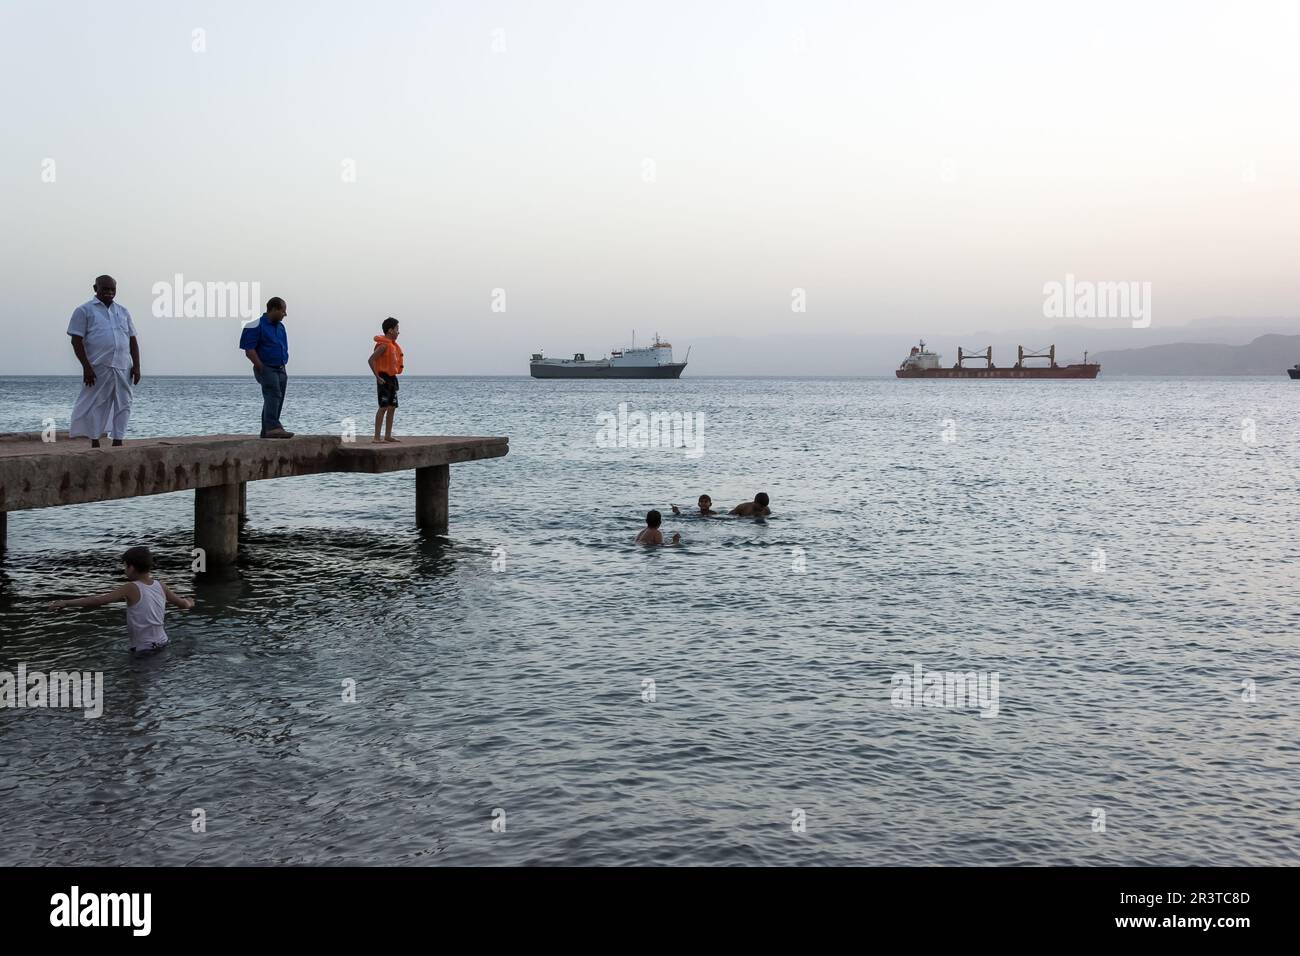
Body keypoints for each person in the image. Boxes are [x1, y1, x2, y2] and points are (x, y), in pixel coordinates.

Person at [48, 546, 194, 654]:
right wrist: (189, 601)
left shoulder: (131, 587)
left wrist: (66, 603)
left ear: (131, 567)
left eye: (125, 566)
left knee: (136, 684)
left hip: (143, 649)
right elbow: (183, 604)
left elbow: (98, 601)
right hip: (163, 643)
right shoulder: (161, 585)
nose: (124, 570)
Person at [67, 275, 140, 448]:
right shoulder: (84, 310)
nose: (109, 292)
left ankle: (118, 440)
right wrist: (86, 367)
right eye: (105, 289)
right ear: (95, 288)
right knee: (95, 404)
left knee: (124, 403)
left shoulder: (123, 311)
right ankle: (94, 440)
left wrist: (137, 366)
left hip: (123, 366)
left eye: (112, 289)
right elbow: (76, 341)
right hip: (98, 367)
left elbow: (132, 340)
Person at [239, 297, 293, 438]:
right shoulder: (255, 325)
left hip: (281, 367)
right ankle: (273, 427)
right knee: (273, 394)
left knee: (276, 398)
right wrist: (260, 366)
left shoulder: (281, 327)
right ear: (273, 309)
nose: (285, 314)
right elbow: (249, 350)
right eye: (283, 311)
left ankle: (267, 431)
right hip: (266, 367)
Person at [367, 317, 405, 443]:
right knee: (383, 407)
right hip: (383, 378)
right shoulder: (383, 345)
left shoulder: (392, 346)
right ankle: (376, 437)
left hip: (392, 378)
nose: (398, 332)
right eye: (397, 329)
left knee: (392, 407)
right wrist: (377, 377)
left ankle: (388, 435)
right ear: (390, 330)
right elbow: (371, 360)